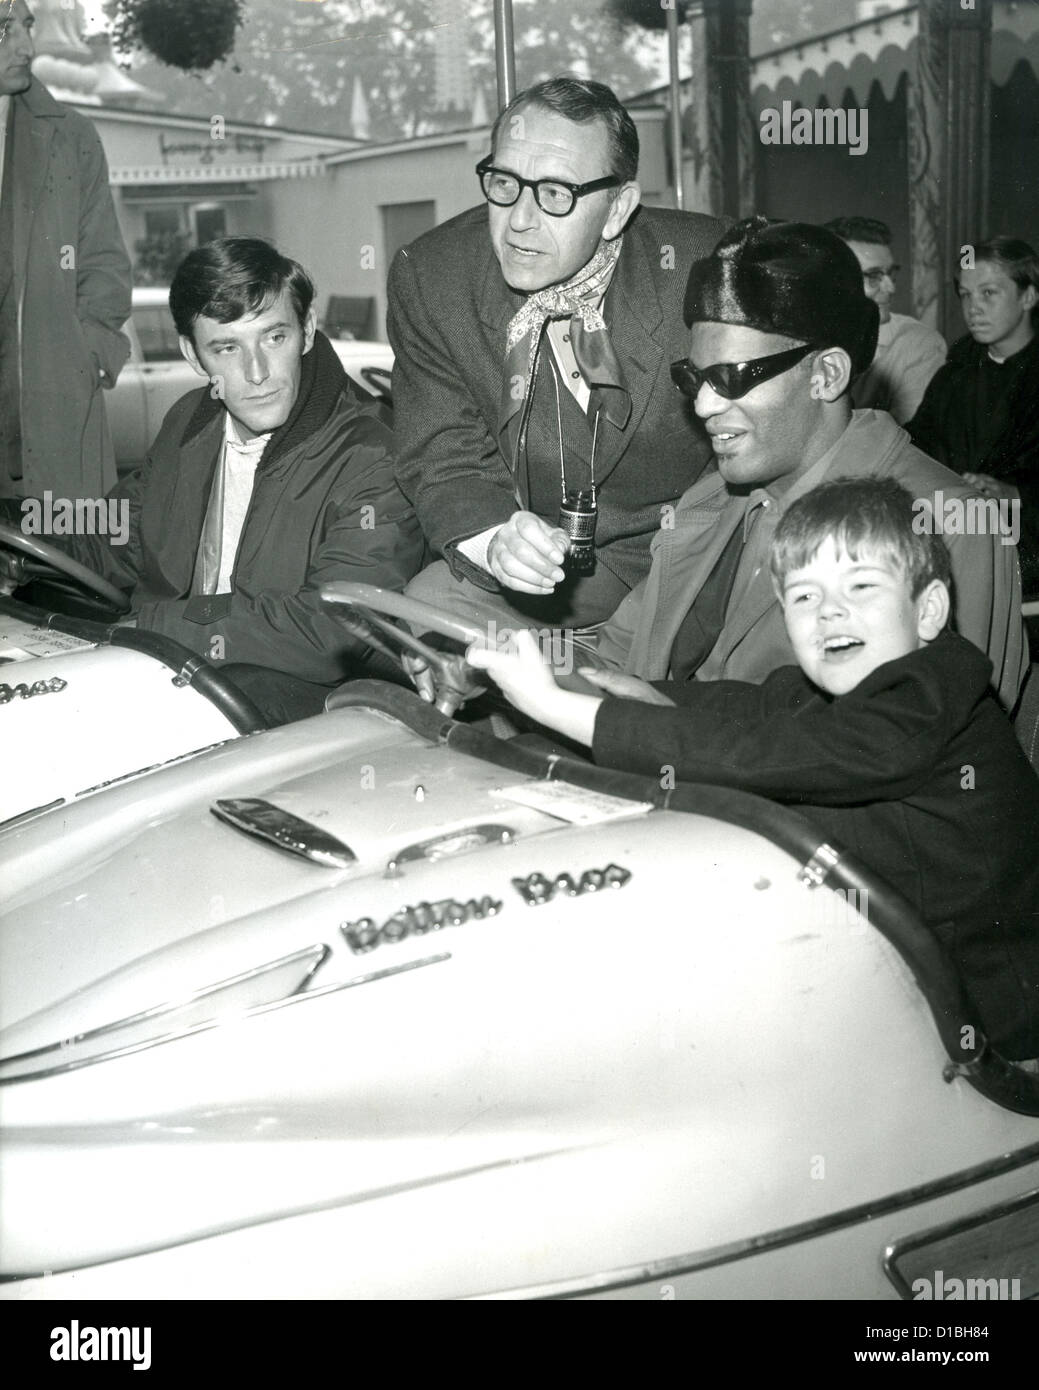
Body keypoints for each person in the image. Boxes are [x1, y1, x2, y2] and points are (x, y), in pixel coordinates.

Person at [469, 477, 1039, 1061]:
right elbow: (751, 708)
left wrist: (560, 709)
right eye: (805, 597)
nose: (830, 612)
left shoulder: (931, 692)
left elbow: (774, 754)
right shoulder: (842, 693)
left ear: (929, 611)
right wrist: (631, 692)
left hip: (989, 1018)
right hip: (887, 974)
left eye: (862, 586)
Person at [589, 217, 1028, 713]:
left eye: (731, 377)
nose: (703, 406)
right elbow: (614, 658)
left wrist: (682, 731)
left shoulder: (947, 523)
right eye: (694, 378)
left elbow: (949, 748)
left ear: (826, 374)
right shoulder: (709, 502)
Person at [2, 237, 425, 724]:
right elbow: (121, 535)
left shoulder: (372, 454)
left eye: (275, 337)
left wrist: (159, 624)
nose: (257, 372)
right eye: (227, 347)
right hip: (178, 663)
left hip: (316, 703)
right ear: (193, 355)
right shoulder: (190, 424)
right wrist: (19, 530)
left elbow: (335, 629)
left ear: (307, 332)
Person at [386, 75, 727, 639]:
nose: (520, 220)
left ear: (618, 208)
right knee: (427, 613)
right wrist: (496, 540)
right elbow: (443, 455)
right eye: (505, 183)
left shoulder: (707, 266)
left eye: (555, 194)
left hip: (690, 556)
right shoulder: (430, 277)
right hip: (544, 564)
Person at [0, 0, 132, 501]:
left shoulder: (70, 137)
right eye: (3, 29)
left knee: (65, 568)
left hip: (50, 426)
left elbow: (104, 264)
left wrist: (87, 352)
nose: (27, 48)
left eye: (27, 27)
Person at [907, 236, 1039, 599]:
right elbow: (918, 443)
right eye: (965, 295)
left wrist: (1015, 492)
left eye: (988, 293)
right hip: (955, 529)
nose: (973, 308)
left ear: (1028, 297)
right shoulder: (954, 373)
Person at [824, 216, 946, 425]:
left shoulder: (917, 344)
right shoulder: (797, 337)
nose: (891, 288)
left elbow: (907, 440)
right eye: (873, 276)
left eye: (891, 273)